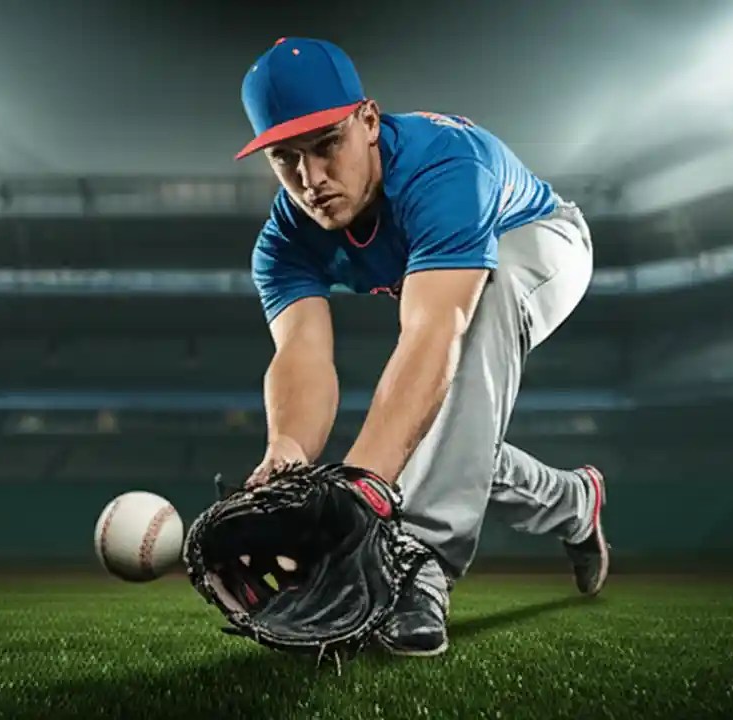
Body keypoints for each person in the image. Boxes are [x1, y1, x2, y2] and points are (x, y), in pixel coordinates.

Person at [237, 37, 609, 658]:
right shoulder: (283, 241)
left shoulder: (445, 168)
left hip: (543, 243)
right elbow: (301, 354)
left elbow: (436, 331)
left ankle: (419, 562)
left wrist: (360, 494)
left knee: (474, 317)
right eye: (286, 158)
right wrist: (289, 451)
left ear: (369, 120)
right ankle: (572, 501)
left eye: (327, 144)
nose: (313, 179)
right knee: (444, 432)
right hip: (452, 293)